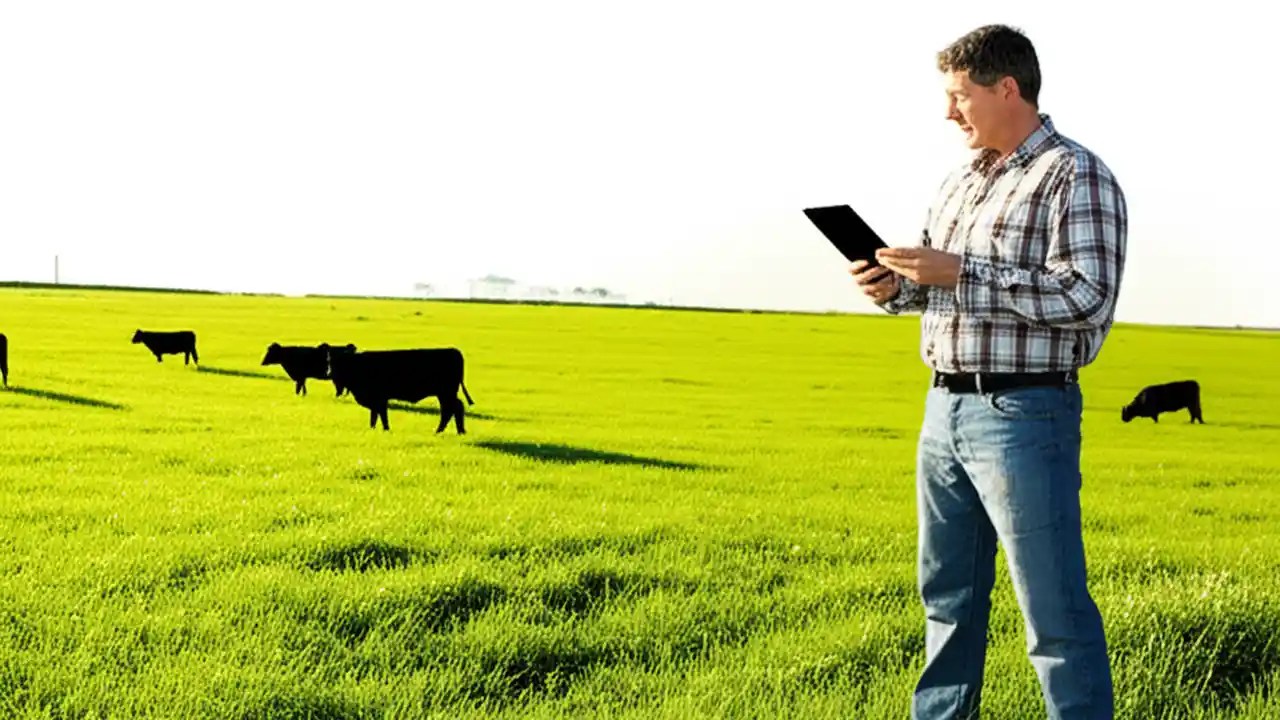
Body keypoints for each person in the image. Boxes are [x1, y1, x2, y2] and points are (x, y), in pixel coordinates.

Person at [850, 24, 1126, 720]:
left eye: (959, 96)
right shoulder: (961, 181)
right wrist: (898, 287)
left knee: (1053, 608)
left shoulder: (1075, 174)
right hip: (943, 411)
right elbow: (945, 288)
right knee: (947, 598)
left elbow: (1086, 296)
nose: (949, 113)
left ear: (1008, 89)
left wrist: (962, 272)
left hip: (1024, 417)